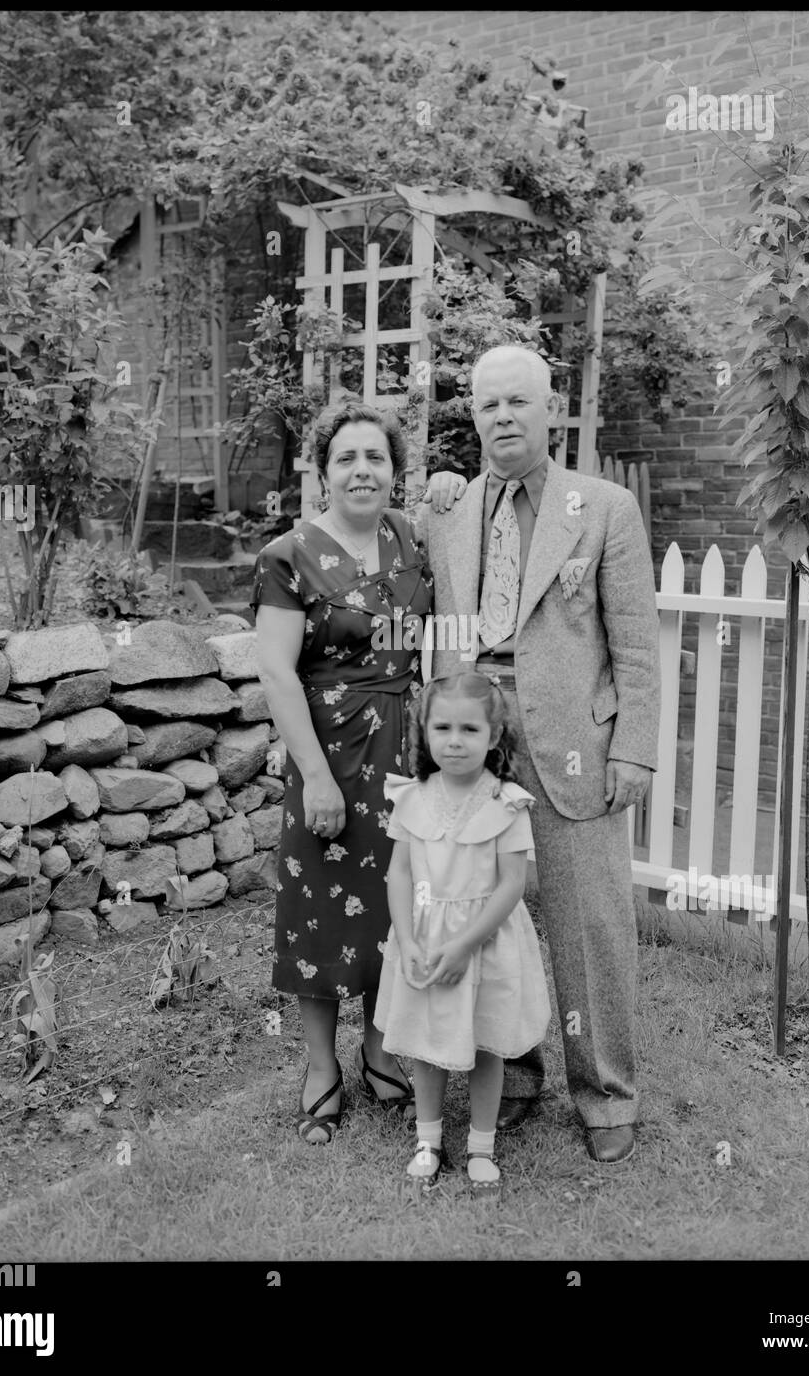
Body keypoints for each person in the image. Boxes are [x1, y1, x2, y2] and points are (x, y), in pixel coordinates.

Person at [416, 345, 661, 1163]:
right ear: (473, 414)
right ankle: (513, 1077)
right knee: (492, 917)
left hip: (577, 747)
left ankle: (607, 1097)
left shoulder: (603, 508)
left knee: (589, 924)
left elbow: (635, 647)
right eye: (488, 406)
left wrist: (634, 750)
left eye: (518, 402)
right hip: (475, 744)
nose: (503, 418)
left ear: (548, 408)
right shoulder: (447, 508)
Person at [251, 403, 464, 1145]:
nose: (362, 470)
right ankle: (319, 1068)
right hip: (329, 754)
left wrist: (447, 481)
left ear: (393, 471)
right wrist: (314, 777)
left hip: (403, 756)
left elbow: (467, 515)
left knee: (391, 910)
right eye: (347, 458)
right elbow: (277, 674)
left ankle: (379, 1050)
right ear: (323, 471)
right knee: (318, 913)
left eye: (376, 457)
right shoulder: (290, 554)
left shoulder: (411, 538)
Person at [374, 672, 550, 1194]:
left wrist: (467, 942)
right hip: (425, 938)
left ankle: (481, 1146)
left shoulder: (506, 803)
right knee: (427, 1046)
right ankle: (427, 1140)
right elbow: (400, 873)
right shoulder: (412, 798)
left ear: (494, 737)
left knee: (486, 1045)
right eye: (443, 727)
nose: (455, 740)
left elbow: (512, 884)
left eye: (470, 729)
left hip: (484, 942)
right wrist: (406, 940)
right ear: (424, 731)